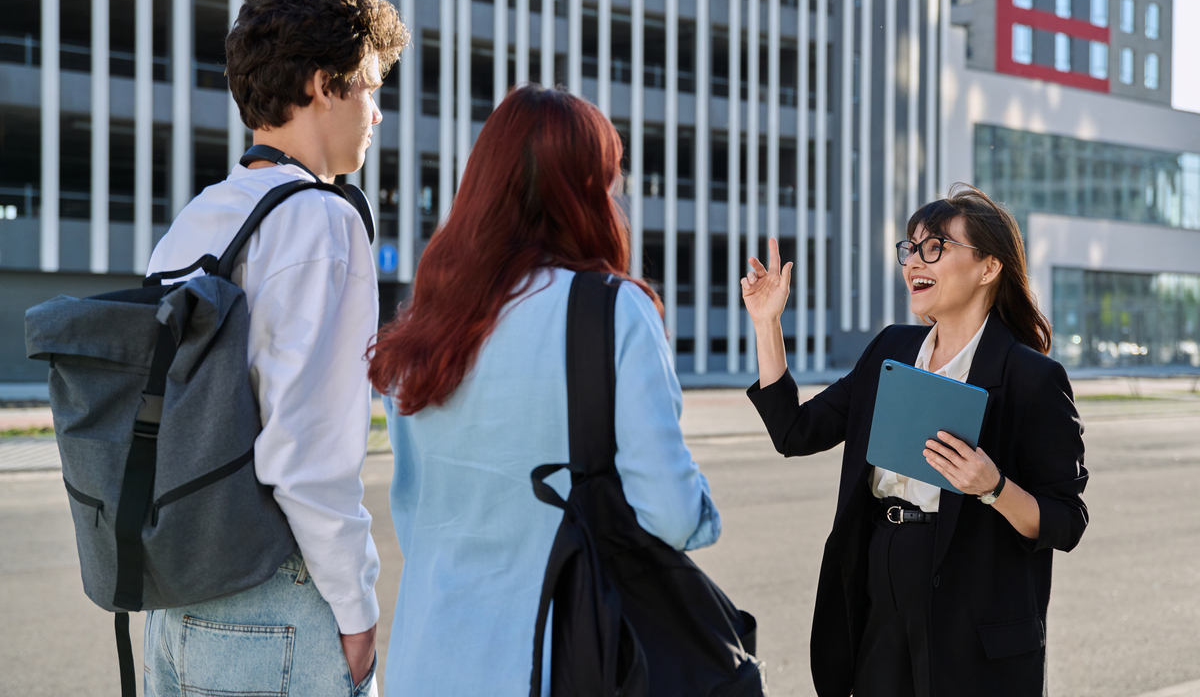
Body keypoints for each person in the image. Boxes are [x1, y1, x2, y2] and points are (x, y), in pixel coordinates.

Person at [366, 85, 721, 696]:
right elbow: (671, 513)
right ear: (585, 190)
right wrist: (704, 517)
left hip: (427, 662)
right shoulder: (613, 311)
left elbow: (414, 514)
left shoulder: (424, 328)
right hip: (553, 661)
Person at [141, 0, 408, 697]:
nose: (378, 114)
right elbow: (308, 450)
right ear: (325, 86)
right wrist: (355, 611)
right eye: (372, 88)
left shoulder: (202, 215)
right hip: (277, 604)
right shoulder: (324, 221)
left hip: (175, 603)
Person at [740, 184, 1088, 697]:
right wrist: (767, 324)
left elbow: (1065, 521)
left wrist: (993, 487)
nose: (914, 262)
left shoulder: (1031, 377)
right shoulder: (892, 349)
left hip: (971, 608)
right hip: (880, 582)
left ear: (989, 267)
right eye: (911, 247)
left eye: (935, 247)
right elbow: (795, 432)